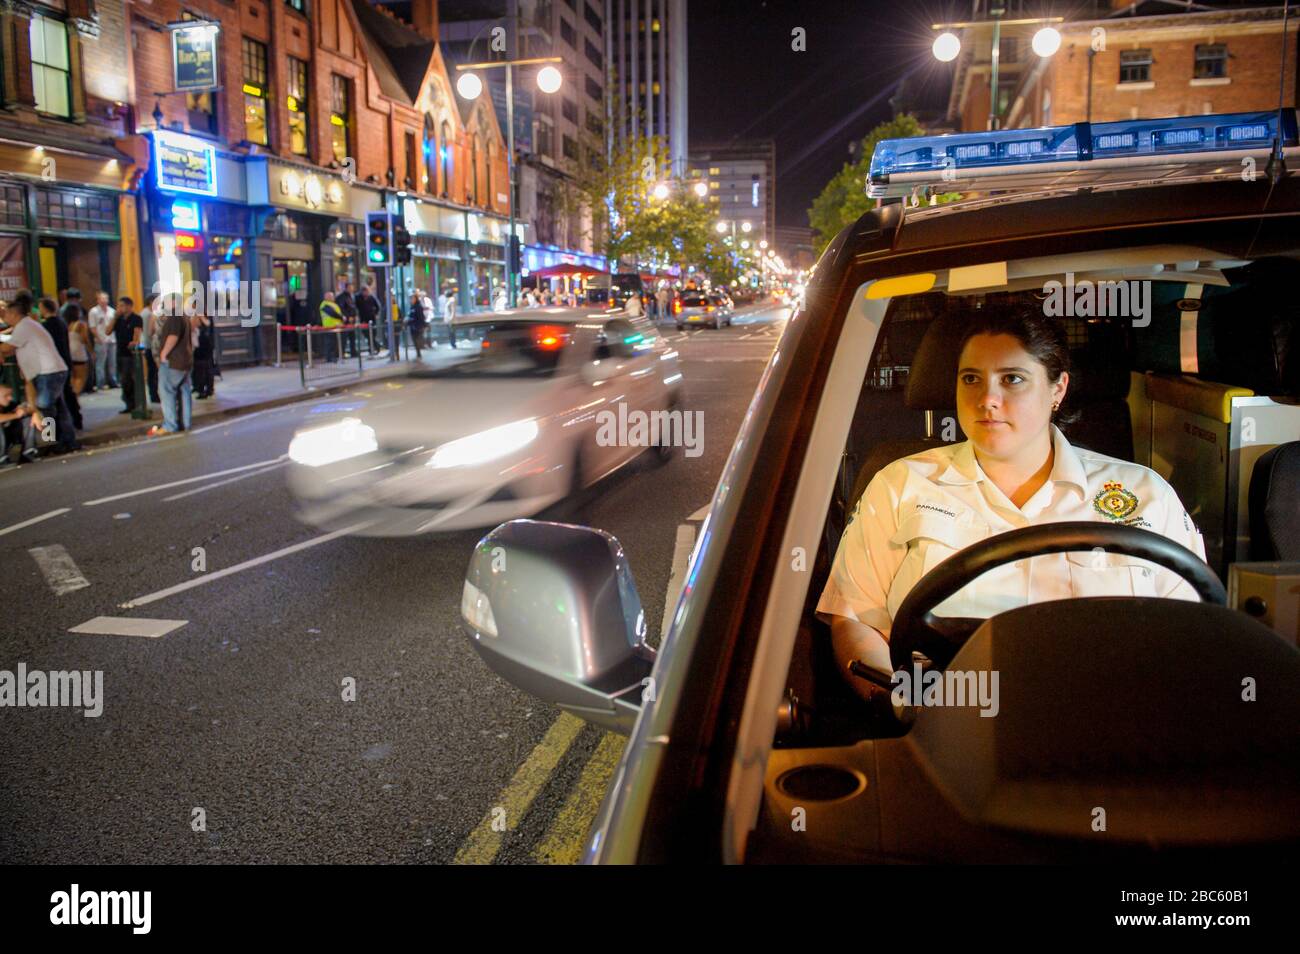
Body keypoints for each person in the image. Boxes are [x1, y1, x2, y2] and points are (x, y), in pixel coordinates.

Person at [817, 308, 1207, 702]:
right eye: (971, 379)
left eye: (1012, 379)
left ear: (1058, 390)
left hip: (1112, 726)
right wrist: (904, 707)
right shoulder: (900, 485)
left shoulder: (1144, 493)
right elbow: (854, 619)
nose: (987, 399)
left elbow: (1194, 630)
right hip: (948, 719)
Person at [0, 290, 79, 454]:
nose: (4, 316)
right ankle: (66, 440)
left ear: (14, 314)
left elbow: (7, 348)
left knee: (45, 408)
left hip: (48, 373)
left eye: (5, 313)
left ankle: (50, 441)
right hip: (50, 371)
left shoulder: (24, 327)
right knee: (58, 407)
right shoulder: (26, 325)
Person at [148, 297, 194, 436]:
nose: (164, 304)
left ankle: (170, 425)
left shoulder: (174, 316)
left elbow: (172, 336)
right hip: (185, 360)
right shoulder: (184, 316)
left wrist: (163, 353)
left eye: (167, 301)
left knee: (166, 391)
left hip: (173, 360)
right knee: (185, 391)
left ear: (174, 303)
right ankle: (186, 422)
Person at [40, 296, 83, 430]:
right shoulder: (62, 322)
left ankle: (53, 434)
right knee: (66, 395)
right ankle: (75, 420)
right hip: (64, 361)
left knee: (50, 403)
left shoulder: (47, 325)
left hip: (52, 367)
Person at [113, 295, 143, 413]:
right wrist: (115, 318)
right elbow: (107, 331)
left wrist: (135, 341)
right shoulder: (118, 320)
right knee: (123, 379)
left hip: (129, 354)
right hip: (119, 352)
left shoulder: (136, 318)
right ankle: (128, 402)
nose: (119, 308)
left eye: (122, 306)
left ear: (129, 306)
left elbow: (137, 333)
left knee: (127, 379)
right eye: (118, 306)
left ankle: (132, 403)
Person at [0, 382, 36, 468]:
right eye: (6, 396)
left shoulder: (10, 404)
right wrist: (15, 415)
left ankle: (27, 452)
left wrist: (24, 410)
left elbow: (28, 410)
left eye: (10, 395)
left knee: (28, 418)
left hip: (9, 436)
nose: (10, 398)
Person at [88, 291, 116, 390]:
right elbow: (92, 327)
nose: (104, 301)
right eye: (102, 299)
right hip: (100, 340)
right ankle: (100, 382)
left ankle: (113, 381)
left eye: (106, 298)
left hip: (112, 339)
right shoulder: (94, 311)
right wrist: (98, 338)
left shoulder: (112, 311)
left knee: (112, 362)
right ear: (98, 300)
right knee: (100, 362)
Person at [142, 292, 162, 404]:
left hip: (148, 345)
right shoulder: (149, 314)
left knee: (152, 372)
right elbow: (150, 332)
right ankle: (154, 395)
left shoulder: (145, 313)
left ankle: (153, 394)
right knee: (153, 372)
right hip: (151, 346)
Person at [67, 306, 92, 395]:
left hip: (70, 351)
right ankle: (76, 394)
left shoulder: (67, 325)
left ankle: (72, 395)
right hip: (79, 351)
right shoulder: (81, 324)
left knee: (73, 376)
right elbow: (85, 339)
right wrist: (91, 351)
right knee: (81, 377)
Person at [191, 311, 215, 398]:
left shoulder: (205, 317)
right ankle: (203, 388)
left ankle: (206, 389)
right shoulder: (197, 316)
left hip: (204, 346)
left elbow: (207, 325)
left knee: (204, 369)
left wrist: (200, 317)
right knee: (202, 369)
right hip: (201, 346)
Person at [318, 291, 345, 363]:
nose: (332, 297)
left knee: (334, 343)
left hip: (336, 326)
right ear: (326, 297)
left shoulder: (333, 304)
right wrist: (342, 318)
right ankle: (329, 357)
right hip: (329, 326)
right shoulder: (324, 304)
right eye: (330, 296)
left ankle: (335, 356)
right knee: (329, 343)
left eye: (332, 296)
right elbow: (332, 313)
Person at [355, 282, 381, 354]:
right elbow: (356, 307)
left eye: (367, 291)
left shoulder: (371, 297)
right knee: (367, 334)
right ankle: (376, 346)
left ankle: (372, 348)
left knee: (372, 334)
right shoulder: (358, 298)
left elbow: (378, 306)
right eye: (365, 291)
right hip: (363, 319)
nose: (366, 293)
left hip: (371, 318)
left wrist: (375, 313)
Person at [336, 280, 358, 357]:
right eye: (350, 287)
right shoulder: (341, 297)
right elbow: (341, 309)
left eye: (352, 287)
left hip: (352, 321)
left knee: (352, 337)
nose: (351, 289)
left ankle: (353, 352)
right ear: (346, 288)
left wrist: (354, 316)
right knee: (344, 338)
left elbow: (353, 308)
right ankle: (341, 353)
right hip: (345, 321)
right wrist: (348, 317)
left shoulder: (351, 296)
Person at [406, 291, 426, 358]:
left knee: (417, 340)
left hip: (417, 326)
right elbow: (411, 316)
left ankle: (419, 353)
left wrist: (422, 325)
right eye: (411, 298)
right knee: (414, 340)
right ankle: (418, 352)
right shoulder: (412, 307)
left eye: (412, 298)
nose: (411, 300)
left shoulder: (418, 307)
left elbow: (420, 317)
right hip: (412, 326)